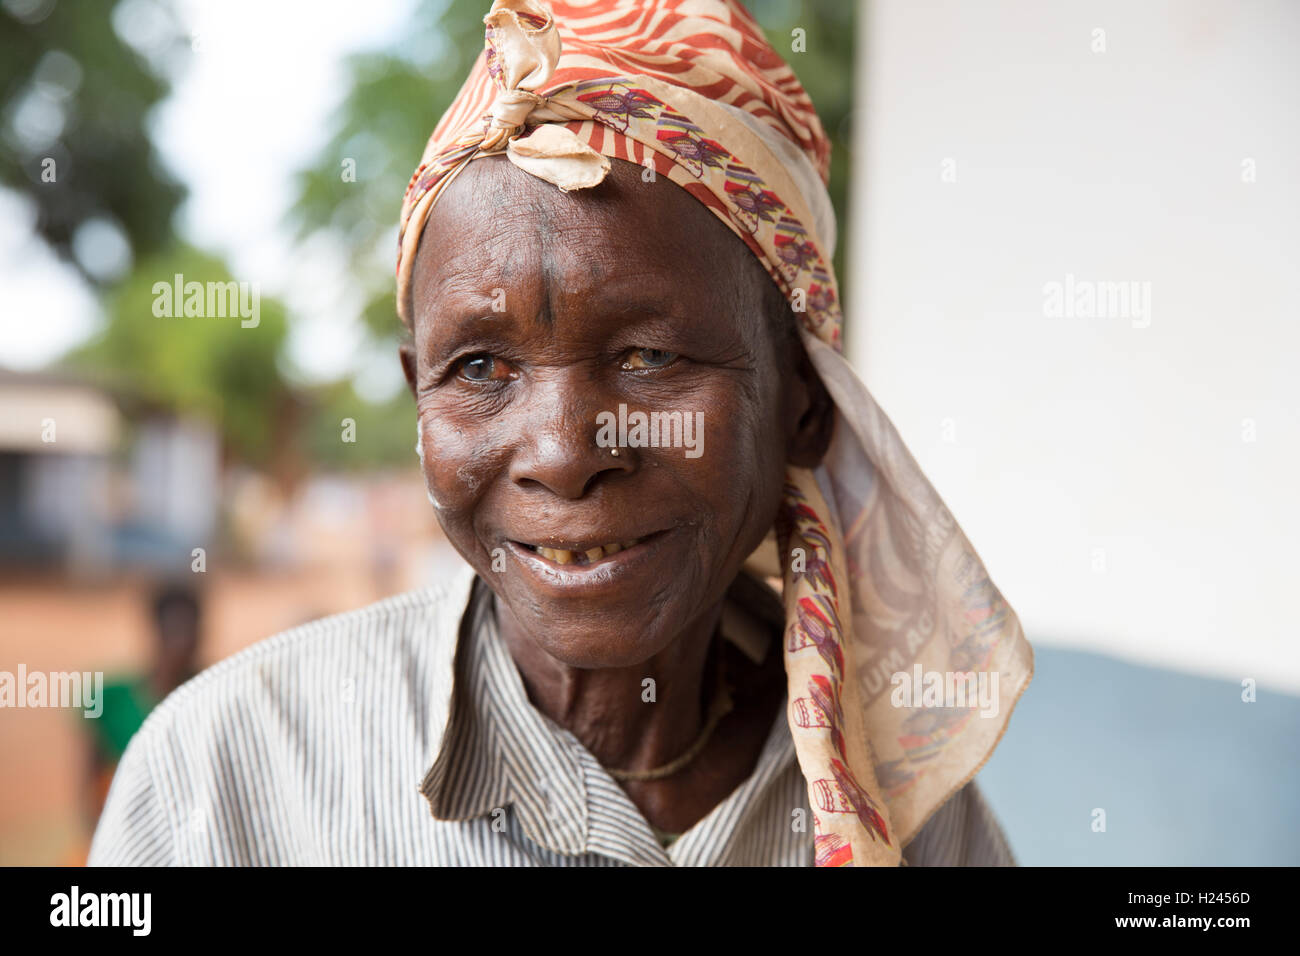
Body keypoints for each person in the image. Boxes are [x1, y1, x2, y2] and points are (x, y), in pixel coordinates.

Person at [90, 0, 1033, 867]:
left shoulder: (912, 808)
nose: (564, 454)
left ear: (804, 400)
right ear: (421, 398)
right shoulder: (223, 782)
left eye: (650, 356)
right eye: (482, 370)